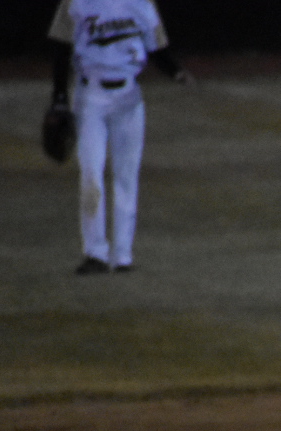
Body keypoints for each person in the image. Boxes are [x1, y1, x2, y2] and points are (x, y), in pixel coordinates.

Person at [47, 0, 191, 275]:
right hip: (90, 98)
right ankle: (95, 253)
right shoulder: (75, 2)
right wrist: (60, 97)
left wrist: (176, 72)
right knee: (91, 174)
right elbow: (61, 49)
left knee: (127, 176)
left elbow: (156, 47)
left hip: (129, 98)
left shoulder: (141, 2)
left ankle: (123, 255)